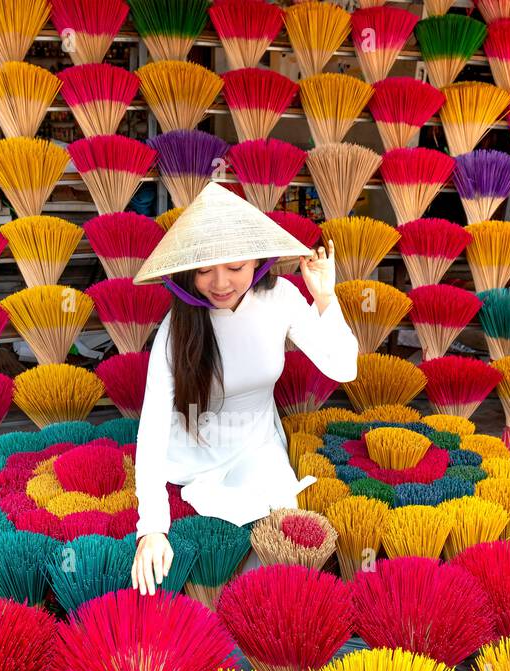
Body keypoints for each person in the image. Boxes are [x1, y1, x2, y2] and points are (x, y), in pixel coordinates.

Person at [128, 182, 359, 595]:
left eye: (234, 267)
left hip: (257, 448)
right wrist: (151, 529)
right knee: (205, 549)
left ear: (258, 259)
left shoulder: (281, 299)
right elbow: (152, 429)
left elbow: (343, 368)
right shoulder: (176, 329)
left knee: (278, 545)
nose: (220, 283)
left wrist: (325, 298)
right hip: (191, 456)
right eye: (204, 270)